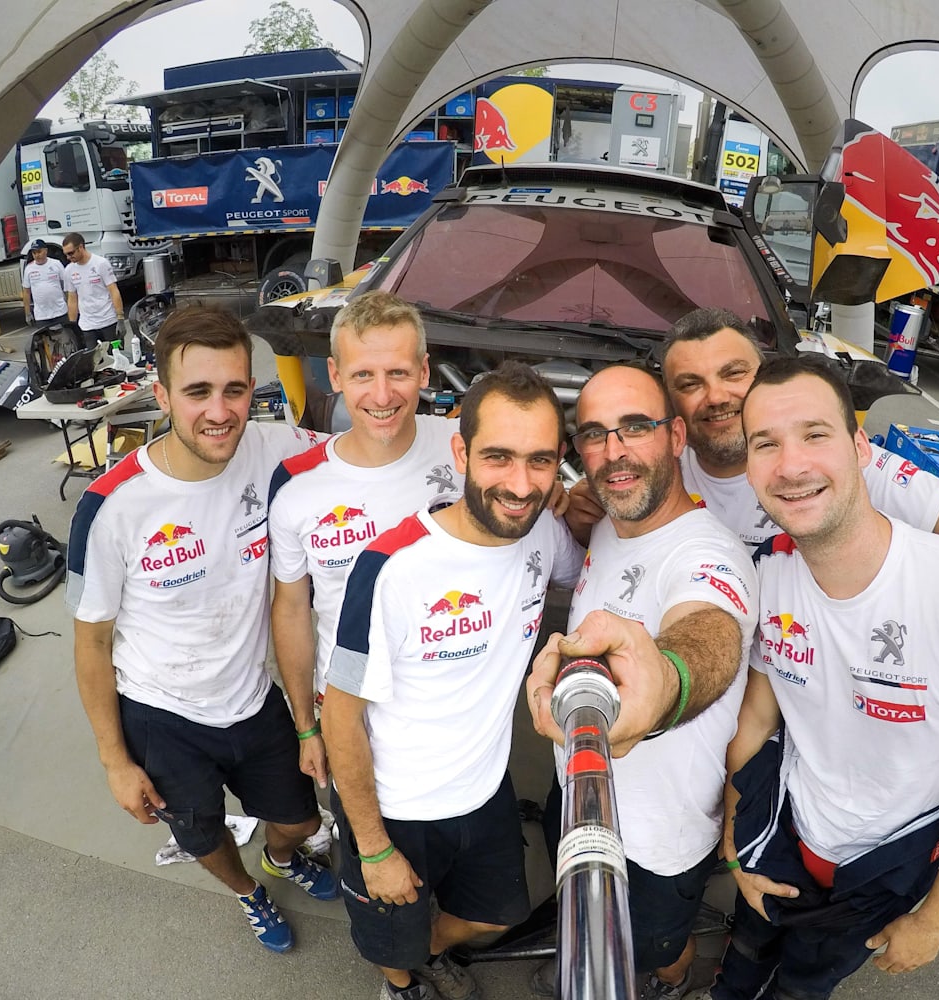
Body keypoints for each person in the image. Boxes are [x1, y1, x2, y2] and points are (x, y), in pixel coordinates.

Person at [691, 355, 939, 1000]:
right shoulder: (769, 578)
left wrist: (936, 920)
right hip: (786, 829)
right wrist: (740, 845)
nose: (791, 465)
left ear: (861, 447)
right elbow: (756, 721)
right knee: (742, 956)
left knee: (803, 986)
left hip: (886, 868)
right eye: (765, 444)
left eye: (815, 434)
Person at [67, 307, 335, 955]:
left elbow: (369, 457)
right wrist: (115, 761)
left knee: (299, 819)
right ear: (160, 395)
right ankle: (250, 893)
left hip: (251, 697)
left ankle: (280, 857)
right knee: (203, 836)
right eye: (197, 392)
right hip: (162, 715)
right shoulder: (109, 506)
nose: (220, 412)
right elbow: (91, 645)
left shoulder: (275, 448)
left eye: (235, 389)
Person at [324, 361, 584, 1000]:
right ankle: (401, 982)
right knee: (392, 945)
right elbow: (340, 714)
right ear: (462, 451)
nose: (520, 484)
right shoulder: (390, 567)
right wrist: (374, 847)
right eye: (498, 457)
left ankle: (425, 949)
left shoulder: (544, 534)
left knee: (495, 915)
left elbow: (590, 579)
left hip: (483, 791)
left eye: (540, 462)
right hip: (395, 807)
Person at [532, 363, 757, 1000]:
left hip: (660, 838)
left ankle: (671, 980)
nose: (615, 451)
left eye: (636, 427)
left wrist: (665, 684)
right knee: (582, 908)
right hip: (578, 790)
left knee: (658, 944)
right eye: (595, 434)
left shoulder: (708, 553)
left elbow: (710, 632)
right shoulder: (605, 524)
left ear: (677, 436)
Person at [645, 307, 939, 656]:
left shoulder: (836, 460)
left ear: (764, 374)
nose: (715, 396)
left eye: (733, 373)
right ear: (671, 399)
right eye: (690, 384)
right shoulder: (661, 471)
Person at [268, 291, 461, 794]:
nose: (381, 395)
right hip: (353, 724)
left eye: (397, 373)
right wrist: (306, 726)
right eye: (362, 375)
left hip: (458, 718)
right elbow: (291, 610)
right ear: (334, 375)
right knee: (368, 858)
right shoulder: (296, 486)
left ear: (424, 371)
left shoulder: (468, 451)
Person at [63, 231, 124, 348]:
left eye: (71, 253)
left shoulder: (101, 263)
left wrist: (120, 318)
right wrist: (72, 327)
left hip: (108, 321)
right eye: (66, 254)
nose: (69, 257)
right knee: (93, 362)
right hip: (87, 325)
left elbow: (113, 291)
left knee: (117, 358)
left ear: (80, 247)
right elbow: (72, 299)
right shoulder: (69, 270)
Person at [21, 239, 69, 325]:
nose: (37, 255)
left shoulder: (56, 264)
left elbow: (66, 286)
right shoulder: (29, 268)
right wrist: (27, 313)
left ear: (45, 251)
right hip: (41, 315)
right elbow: (26, 292)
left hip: (60, 311)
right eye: (34, 253)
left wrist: (70, 305)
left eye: (39, 252)